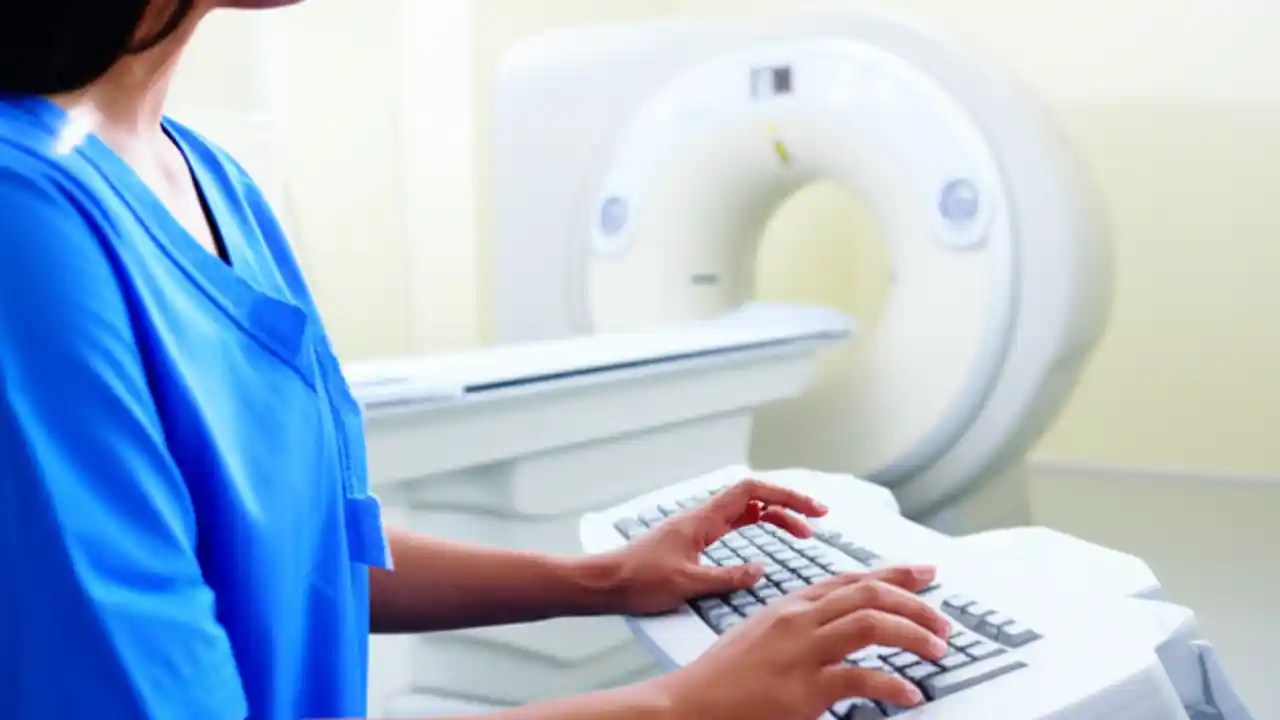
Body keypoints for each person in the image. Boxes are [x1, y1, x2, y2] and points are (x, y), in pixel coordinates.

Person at [0, 2, 952, 718]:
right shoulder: (24, 219)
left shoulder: (205, 177)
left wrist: (603, 581)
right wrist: (682, 704)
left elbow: (301, 556)